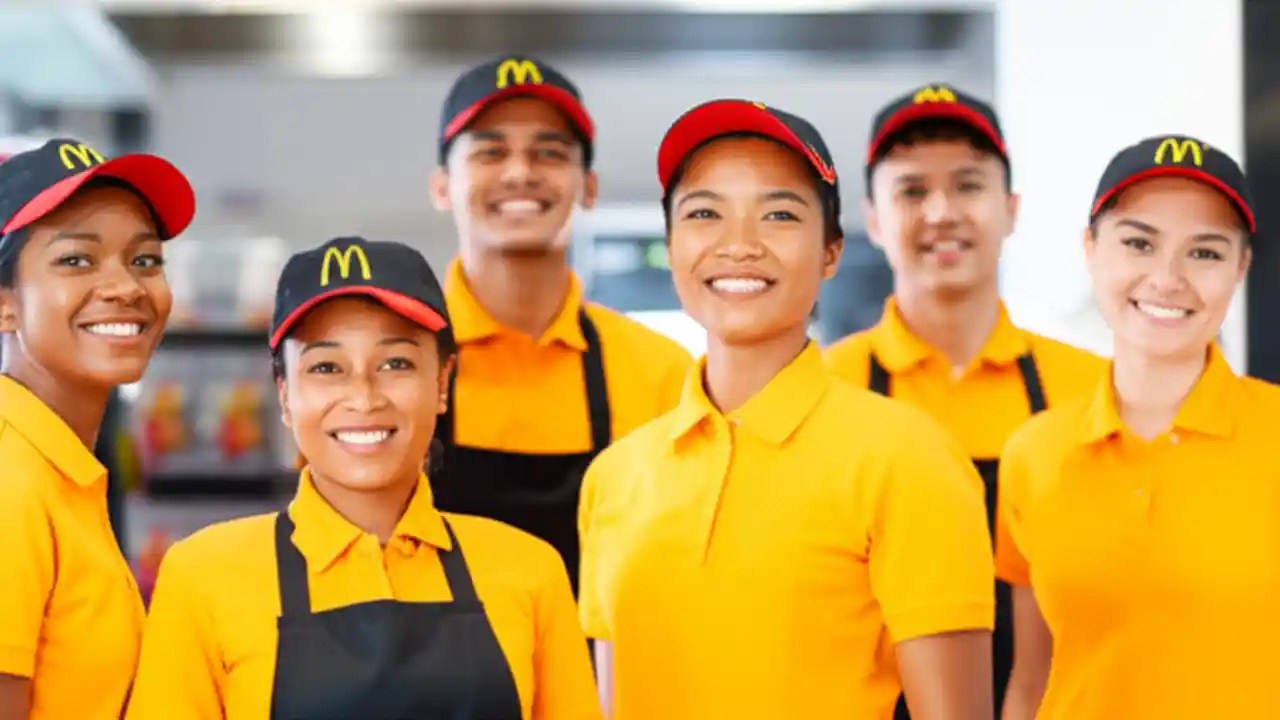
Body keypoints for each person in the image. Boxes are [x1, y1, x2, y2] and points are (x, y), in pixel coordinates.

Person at [578, 99, 996, 720]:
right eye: (704, 213)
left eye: (778, 214)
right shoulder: (614, 478)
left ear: (830, 252)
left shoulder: (909, 459)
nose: (739, 244)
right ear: (671, 245)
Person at [126, 237, 601, 720]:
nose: (363, 397)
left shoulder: (530, 571)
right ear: (285, 396)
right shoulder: (202, 576)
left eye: (396, 363)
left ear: (441, 382)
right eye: (326, 367)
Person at [823, 83, 1106, 717]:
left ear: (1011, 209)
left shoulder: (1093, 391)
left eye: (969, 185)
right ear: (873, 219)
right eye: (911, 191)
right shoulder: (821, 390)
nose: (941, 212)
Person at [997, 136, 1280, 720]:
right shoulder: (1034, 454)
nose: (1167, 278)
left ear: (1241, 268)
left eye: (1205, 253)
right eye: (1139, 244)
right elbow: (1031, 680)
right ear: (1091, 248)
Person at [428, 55, 692, 591]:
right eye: (490, 152)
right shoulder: (392, 366)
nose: (520, 173)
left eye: (548, 152)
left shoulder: (664, 374)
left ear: (589, 187)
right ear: (442, 186)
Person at [0, 138, 195, 719]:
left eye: (145, 260)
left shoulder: (60, 470)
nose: (126, 287)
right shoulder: (12, 481)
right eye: (76, 260)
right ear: (6, 304)